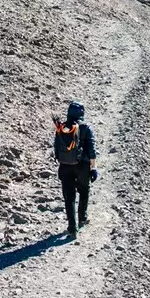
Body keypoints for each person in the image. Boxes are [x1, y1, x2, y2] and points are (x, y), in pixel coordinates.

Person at [53, 101, 98, 239]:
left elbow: (56, 148)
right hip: (82, 166)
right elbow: (92, 150)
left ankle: (72, 228)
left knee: (69, 197)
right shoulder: (85, 127)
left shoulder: (61, 128)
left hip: (65, 166)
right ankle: (82, 218)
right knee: (84, 190)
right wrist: (93, 168)